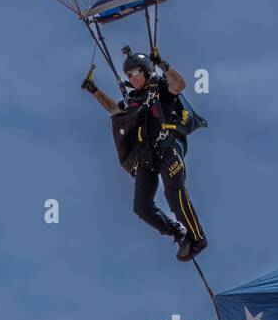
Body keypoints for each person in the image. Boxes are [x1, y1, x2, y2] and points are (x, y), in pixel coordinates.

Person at [83, 49, 207, 261]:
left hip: (168, 148)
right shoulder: (133, 101)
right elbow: (114, 109)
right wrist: (94, 91)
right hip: (147, 157)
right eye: (129, 75)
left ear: (147, 71)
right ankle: (177, 232)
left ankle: (198, 237)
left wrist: (164, 65)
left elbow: (180, 85)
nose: (132, 78)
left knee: (174, 194)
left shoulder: (161, 88)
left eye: (136, 72)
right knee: (141, 207)